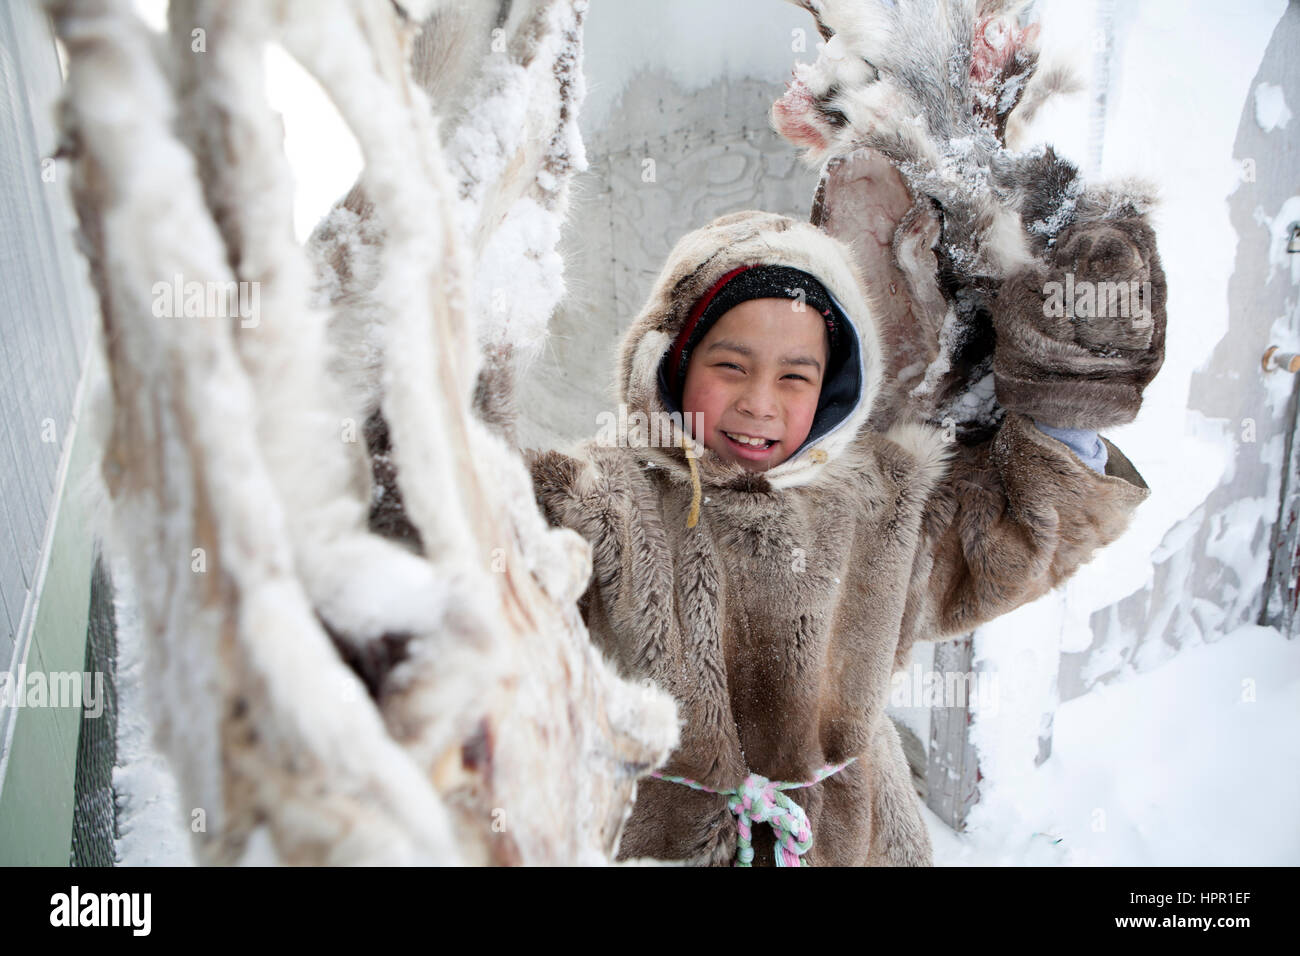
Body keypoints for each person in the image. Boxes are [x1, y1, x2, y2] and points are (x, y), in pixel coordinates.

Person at [528, 207, 1163, 866]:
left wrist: (1069, 405)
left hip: (849, 839)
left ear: (832, 385)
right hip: (652, 840)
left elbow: (998, 551)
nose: (760, 402)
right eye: (730, 366)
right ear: (673, 358)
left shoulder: (879, 498)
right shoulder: (597, 499)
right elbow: (473, 564)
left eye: (794, 376)